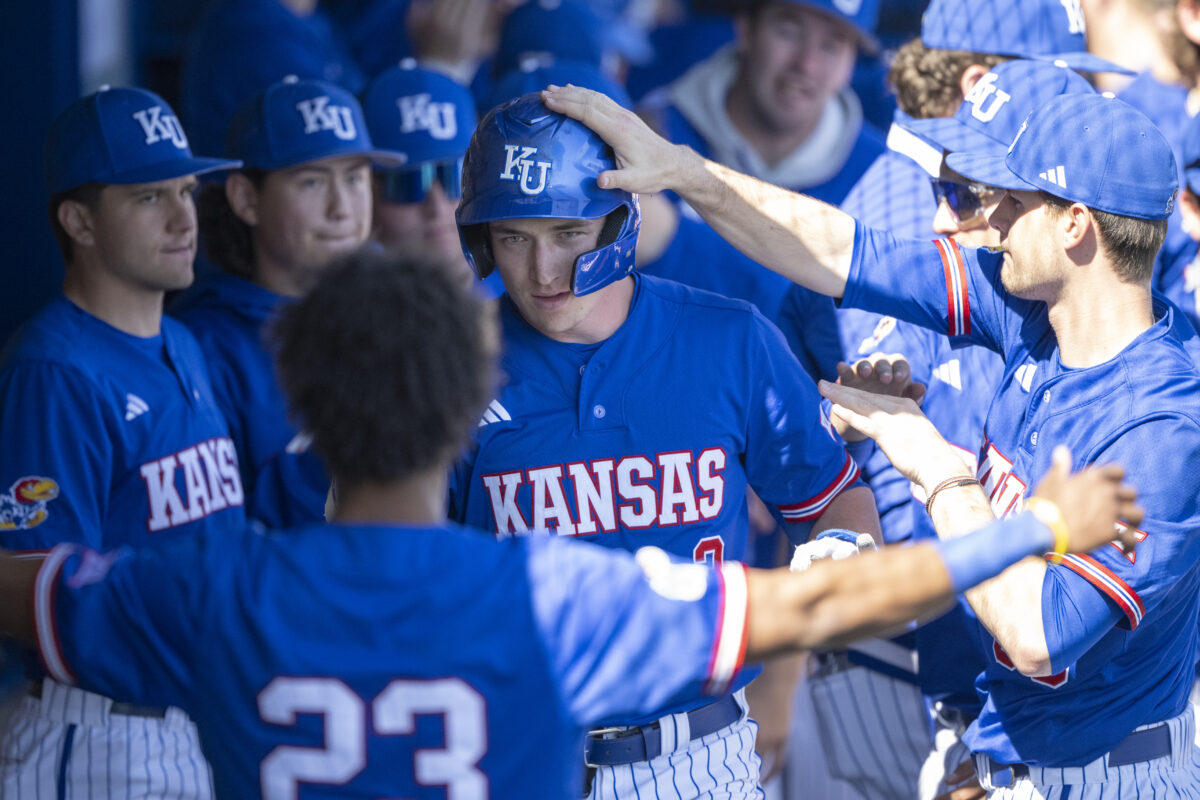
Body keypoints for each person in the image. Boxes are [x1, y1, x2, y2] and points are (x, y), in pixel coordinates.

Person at [0, 246, 1140, 799]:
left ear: (304, 405)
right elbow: (827, 593)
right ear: (466, 407)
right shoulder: (539, 595)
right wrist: (1029, 527)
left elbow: (26, 586)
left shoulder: (215, 586)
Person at [543, 84, 1200, 797]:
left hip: (1114, 775)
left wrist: (935, 470)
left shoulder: (1163, 426)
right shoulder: (1032, 314)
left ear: (1076, 225)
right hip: (1019, 754)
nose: (993, 217)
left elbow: (1035, 634)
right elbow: (839, 252)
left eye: (1016, 200)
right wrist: (687, 174)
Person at [450, 92, 885, 798]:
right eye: (514, 237)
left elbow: (835, 505)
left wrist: (829, 569)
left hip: (695, 754)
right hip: (513, 750)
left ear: (622, 219)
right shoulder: (450, 361)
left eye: (568, 232)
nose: (540, 271)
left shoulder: (729, 340)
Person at [0, 86, 245, 798]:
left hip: (195, 718)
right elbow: (27, 591)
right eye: (146, 198)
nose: (183, 218)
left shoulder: (185, 343)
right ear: (78, 220)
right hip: (104, 734)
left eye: (186, 190)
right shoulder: (54, 371)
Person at [172, 76, 402, 529]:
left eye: (355, 179)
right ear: (245, 198)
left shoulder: (403, 308)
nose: (342, 209)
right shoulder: (201, 346)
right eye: (313, 182)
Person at [638, 0, 886, 205]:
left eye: (830, 46)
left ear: (851, 65)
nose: (806, 65)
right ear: (746, 30)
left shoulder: (880, 180)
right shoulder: (650, 133)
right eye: (788, 32)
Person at [362, 60, 502, 295]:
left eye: (455, 177)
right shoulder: (348, 319)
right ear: (368, 194)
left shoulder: (527, 295)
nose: (436, 207)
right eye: (409, 183)